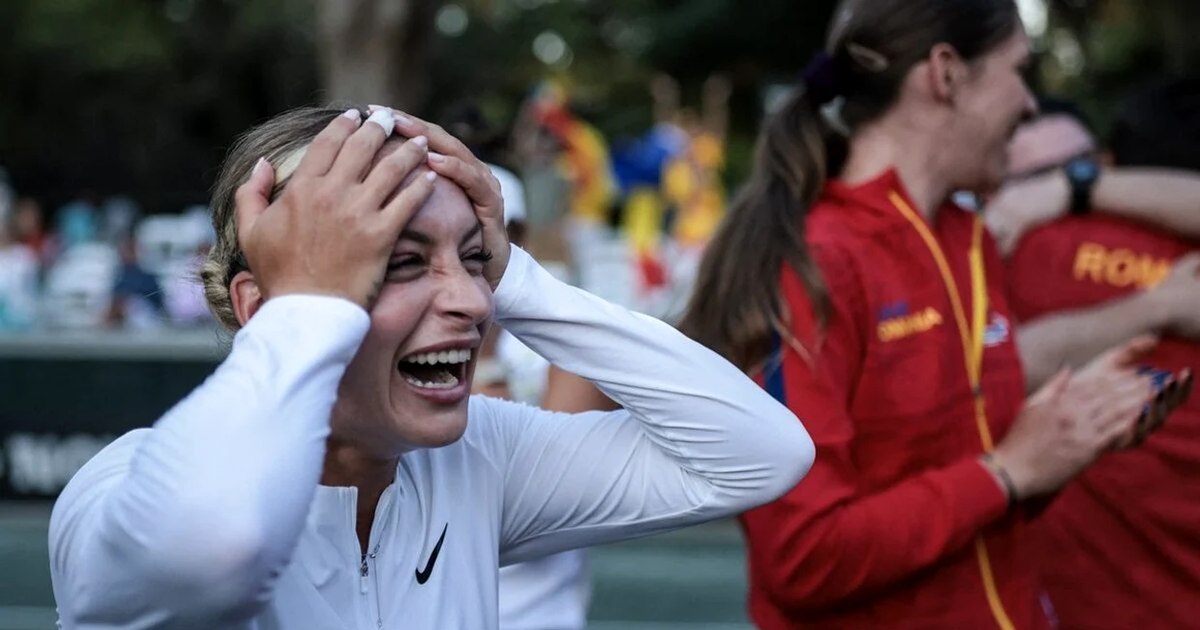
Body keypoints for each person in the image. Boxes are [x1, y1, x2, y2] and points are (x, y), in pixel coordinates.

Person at [48, 105, 815, 629]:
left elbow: (762, 454)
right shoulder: (116, 489)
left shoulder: (477, 459)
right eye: (402, 263)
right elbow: (213, 548)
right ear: (269, 306)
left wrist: (522, 282)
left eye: (474, 260)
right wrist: (305, 308)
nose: (473, 303)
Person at [680, 1, 1186, 627]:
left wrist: (1066, 439)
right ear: (946, 74)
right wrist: (1009, 470)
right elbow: (804, 557)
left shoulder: (968, 240)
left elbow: (972, 503)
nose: (1030, 104)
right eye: (1018, 72)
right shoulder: (817, 261)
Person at [991, 86, 1200, 629]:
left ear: (1110, 160)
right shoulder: (1015, 249)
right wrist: (1159, 307)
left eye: (1073, 167)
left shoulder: (1034, 254)